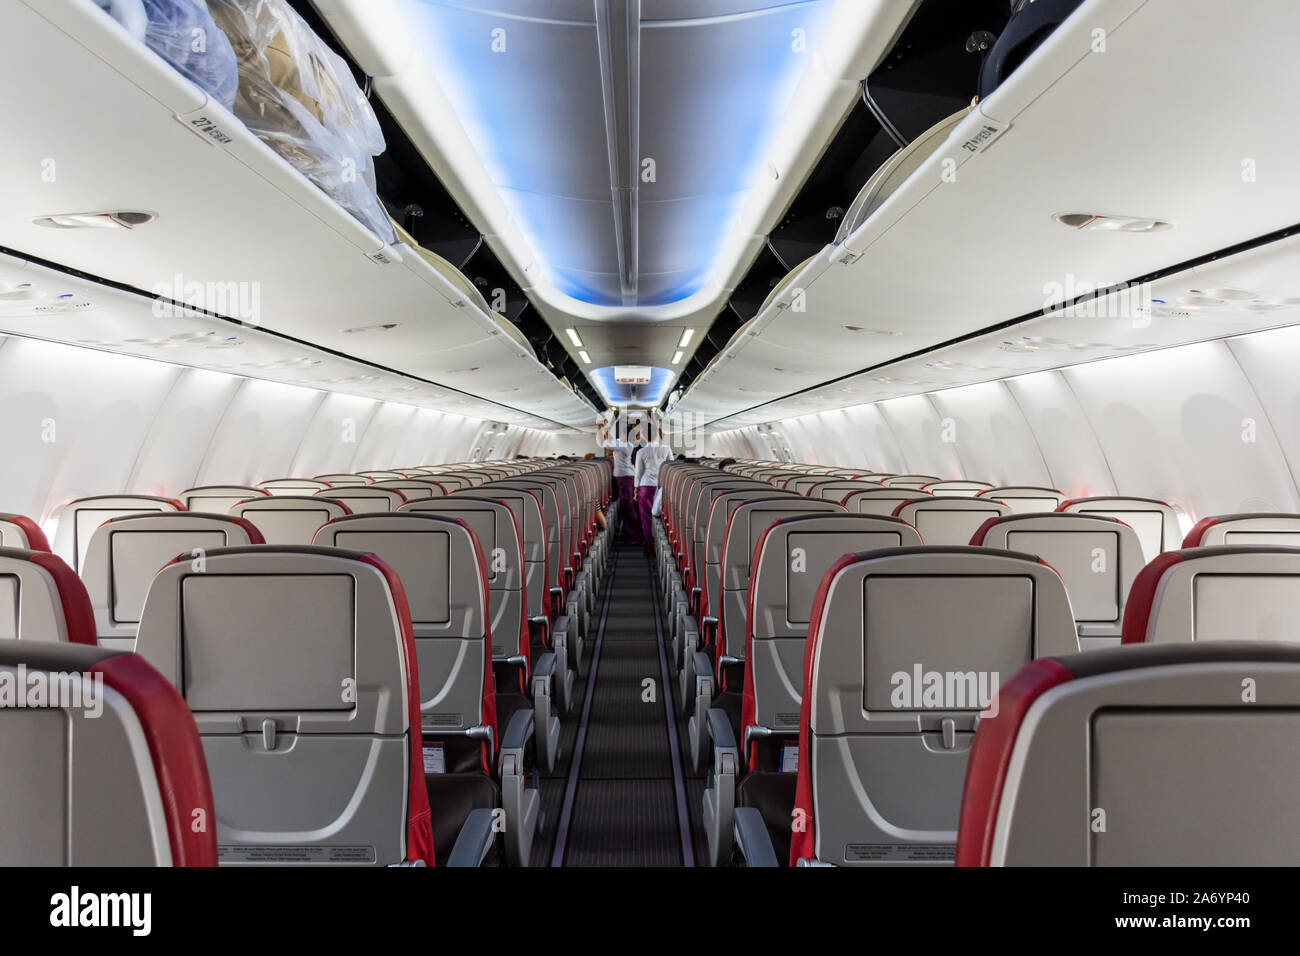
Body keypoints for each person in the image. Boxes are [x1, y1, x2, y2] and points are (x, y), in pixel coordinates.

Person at [597, 415, 643, 547]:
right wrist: (602, 427)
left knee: (627, 507)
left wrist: (602, 429)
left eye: (622, 434)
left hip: (626, 478)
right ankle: (630, 534)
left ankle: (634, 536)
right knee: (625, 507)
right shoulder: (621, 444)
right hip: (622, 478)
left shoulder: (627, 445)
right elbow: (611, 440)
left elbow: (607, 443)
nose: (620, 436)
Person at [633, 417, 674, 556]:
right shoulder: (666, 448)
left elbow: (638, 474)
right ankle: (661, 549)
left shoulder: (641, 452)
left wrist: (635, 490)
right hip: (662, 487)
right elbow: (672, 468)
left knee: (646, 519)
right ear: (658, 434)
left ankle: (649, 548)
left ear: (644, 435)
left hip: (645, 487)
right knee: (661, 517)